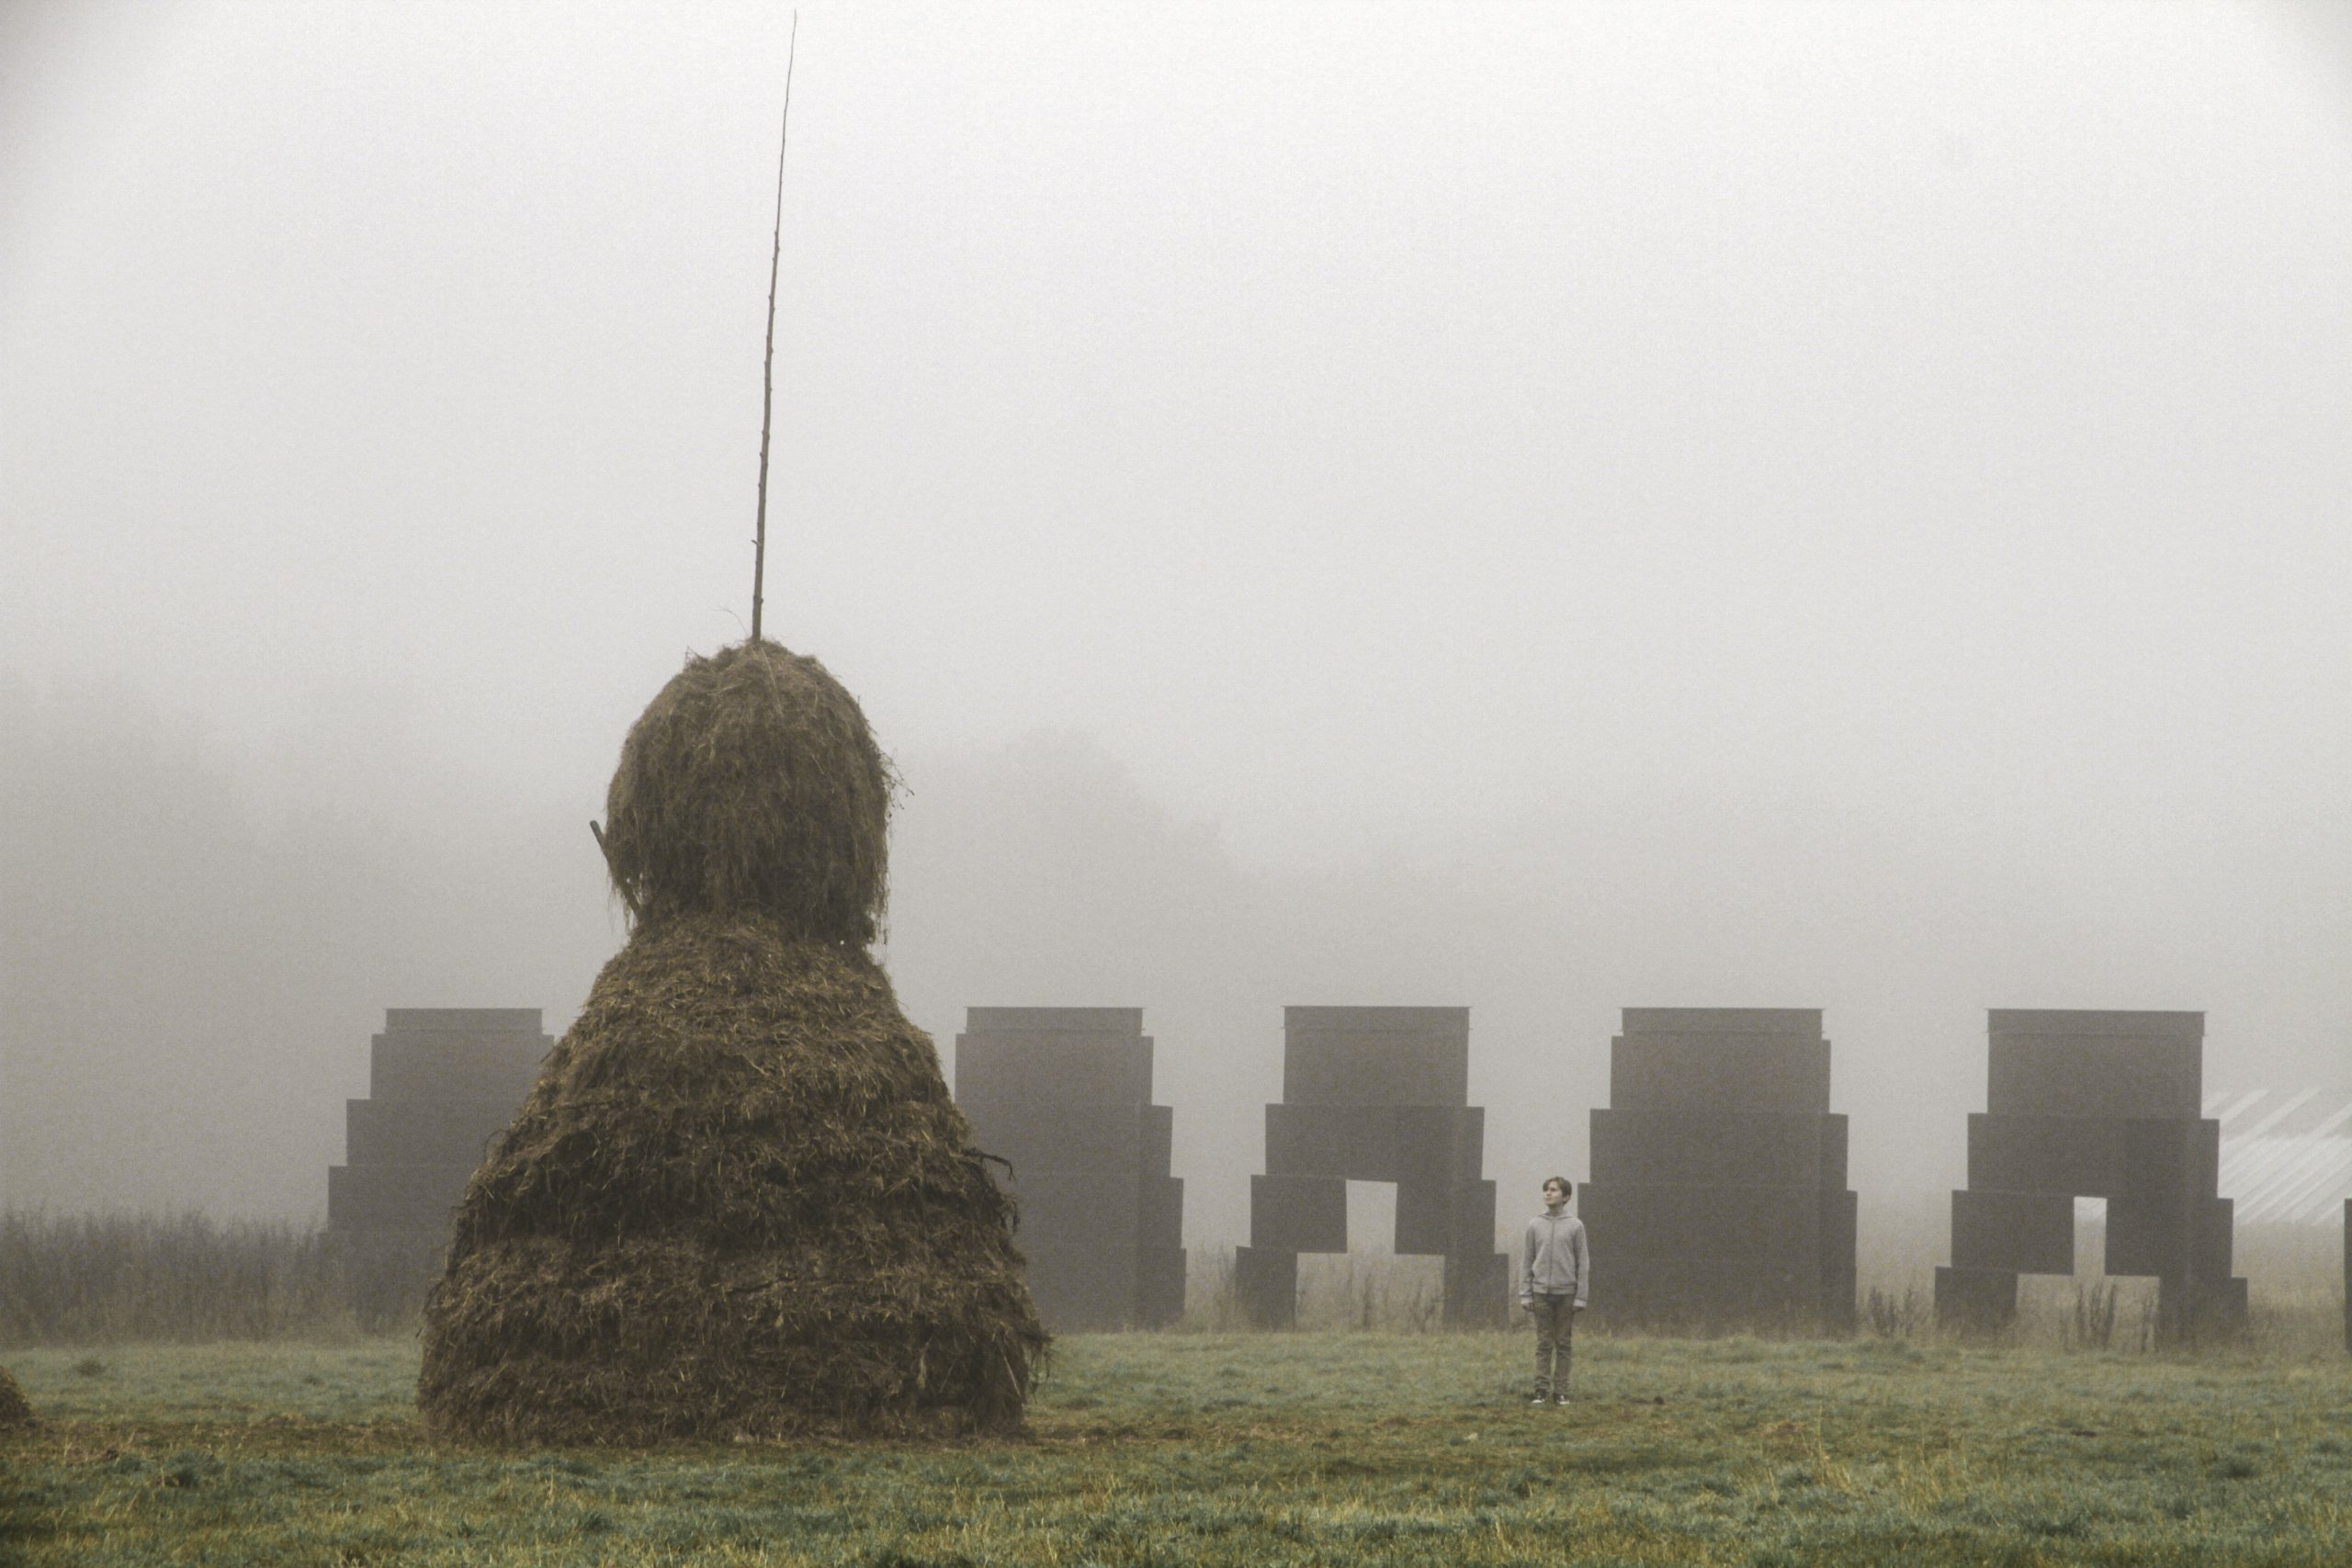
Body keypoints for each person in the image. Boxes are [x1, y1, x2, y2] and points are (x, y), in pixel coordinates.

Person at [1520, 1176, 1588, 1405]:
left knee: (1564, 1343)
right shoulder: (1534, 1225)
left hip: (1566, 1293)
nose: (1548, 1193)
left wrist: (1580, 1296)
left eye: (1554, 1190)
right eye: (1546, 1190)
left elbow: (1583, 1263)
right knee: (1543, 1343)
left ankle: (1561, 1391)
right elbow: (1526, 1260)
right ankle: (1540, 1390)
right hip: (1541, 1293)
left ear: (1565, 1197)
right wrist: (1525, 1293)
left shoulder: (1576, 1226)